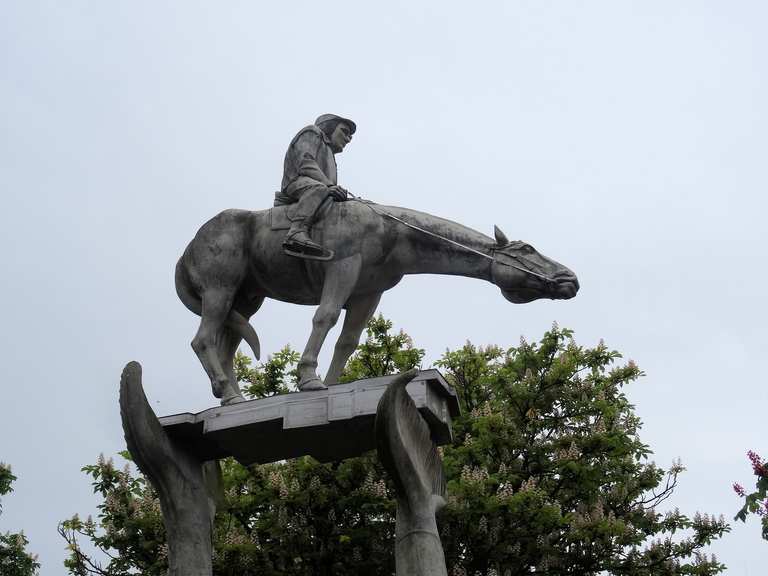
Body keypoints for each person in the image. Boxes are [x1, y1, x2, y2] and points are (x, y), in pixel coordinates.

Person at [275, 113, 356, 260]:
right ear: (329, 127)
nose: (348, 139)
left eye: (350, 136)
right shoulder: (312, 132)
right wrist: (329, 185)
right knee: (318, 189)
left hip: (319, 188)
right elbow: (306, 163)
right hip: (297, 182)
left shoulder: (330, 154)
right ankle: (296, 232)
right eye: (344, 131)